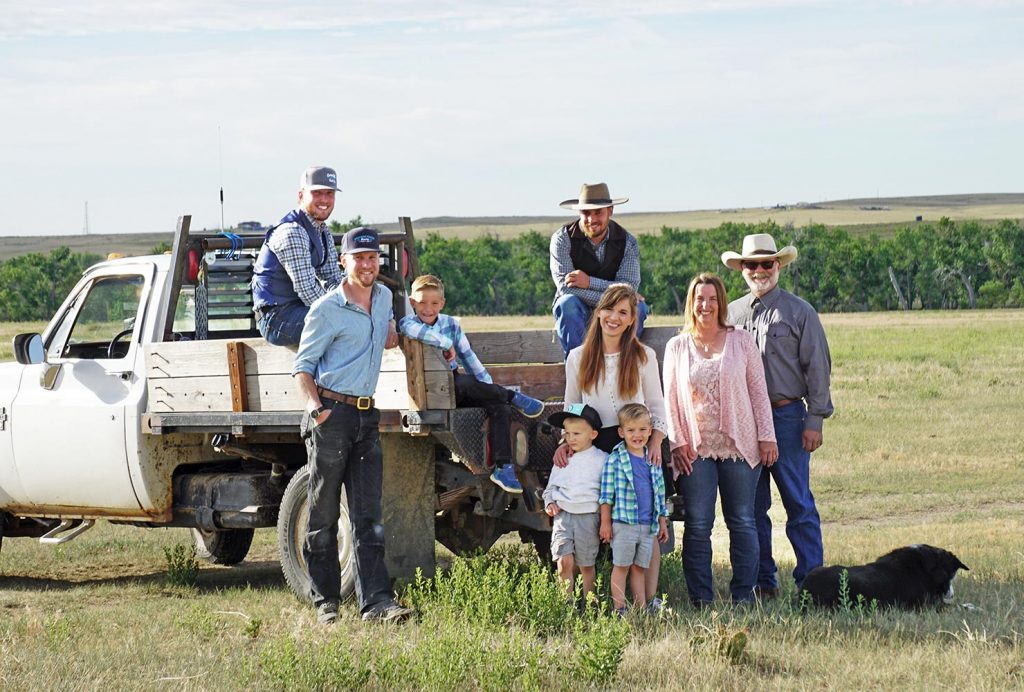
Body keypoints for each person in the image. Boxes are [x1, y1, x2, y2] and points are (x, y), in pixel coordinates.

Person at [292, 226, 414, 625]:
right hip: (332, 414)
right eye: (358, 257)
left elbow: (392, 334)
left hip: (366, 414)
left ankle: (376, 601)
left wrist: (400, 334)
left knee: (369, 513)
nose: (367, 264)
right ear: (343, 262)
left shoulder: (384, 300)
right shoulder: (327, 308)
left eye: (372, 257)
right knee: (324, 511)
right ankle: (326, 600)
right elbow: (303, 367)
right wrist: (315, 408)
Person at [722, 233, 834, 597]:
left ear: (778, 266)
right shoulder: (730, 314)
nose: (759, 270)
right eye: (751, 264)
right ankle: (761, 582)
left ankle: (813, 584)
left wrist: (814, 420)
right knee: (750, 509)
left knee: (798, 503)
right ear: (741, 269)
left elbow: (818, 368)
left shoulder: (800, 312)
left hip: (786, 417)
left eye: (766, 263)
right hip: (744, 421)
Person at [662, 273, 778, 606]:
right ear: (691, 303)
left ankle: (744, 595)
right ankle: (702, 599)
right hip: (695, 450)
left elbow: (758, 392)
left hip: (740, 445)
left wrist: (767, 437)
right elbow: (670, 399)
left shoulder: (740, 341)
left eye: (712, 299)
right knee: (698, 524)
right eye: (700, 299)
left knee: (742, 520)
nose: (706, 305)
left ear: (721, 303)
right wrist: (677, 443)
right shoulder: (677, 346)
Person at [556, 282, 670, 612]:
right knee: (593, 520)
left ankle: (646, 601)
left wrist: (656, 442)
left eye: (624, 312)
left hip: (636, 445)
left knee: (643, 522)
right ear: (599, 312)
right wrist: (567, 442)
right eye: (609, 309)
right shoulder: (578, 358)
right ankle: (587, 598)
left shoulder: (643, 356)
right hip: (595, 445)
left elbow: (656, 406)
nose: (614, 317)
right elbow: (572, 406)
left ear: (633, 318)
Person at [399, 274, 544, 493]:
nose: (428, 309)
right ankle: (512, 396)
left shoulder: (450, 323)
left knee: (499, 406)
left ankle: (503, 466)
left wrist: (489, 390)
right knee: (463, 384)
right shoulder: (408, 322)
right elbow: (416, 332)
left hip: (454, 383)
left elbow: (468, 357)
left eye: (434, 303)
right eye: (421, 302)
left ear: (442, 303)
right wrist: (446, 343)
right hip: (430, 389)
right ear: (412, 302)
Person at [549, 182, 649, 355]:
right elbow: (565, 288)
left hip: (615, 312)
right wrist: (615, 296)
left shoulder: (628, 242)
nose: (591, 219)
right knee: (568, 304)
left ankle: (621, 365)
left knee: (638, 308)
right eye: (586, 213)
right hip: (577, 311)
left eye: (598, 212)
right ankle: (578, 370)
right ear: (579, 212)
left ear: (610, 210)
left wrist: (588, 282)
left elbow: (629, 288)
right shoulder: (562, 239)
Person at [252, 166, 344, 346]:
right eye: (317, 193)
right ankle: (313, 373)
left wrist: (356, 302)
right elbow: (308, 290)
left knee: (356, 319)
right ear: (301, 195)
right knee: (344, 323)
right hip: (276, 318)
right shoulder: (292, 231)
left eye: (329, 193)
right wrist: (345, 312)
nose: (324, 199)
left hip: (299, 309)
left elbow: (332, 278)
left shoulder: (322, 231)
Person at [599, 403, 669, 616]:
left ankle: (641, 608)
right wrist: (605, 522)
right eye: (630, 430)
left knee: (639, 568)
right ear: (621, 432)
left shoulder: (652, 460)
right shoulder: (615, 460)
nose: (637, 435)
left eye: (641, 430)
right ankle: (619, 609)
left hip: (647, 525)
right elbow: (606, 495)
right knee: (622, 566)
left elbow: (659, 493)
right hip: (624, 524)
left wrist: (662, 522)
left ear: (650, 430)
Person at [543, 404, 607, 600]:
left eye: (577, 433)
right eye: (567, 433)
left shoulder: (602, 459)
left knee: (586, 565)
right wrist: (549, 503)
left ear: (593, 434)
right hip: (563, 516)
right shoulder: (563, 459)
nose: (570, 439)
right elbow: (550, 489)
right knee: (564, 562)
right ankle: (566, 604)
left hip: (588, 517)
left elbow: (607, 492)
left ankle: (590, 604)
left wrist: (606, 520)